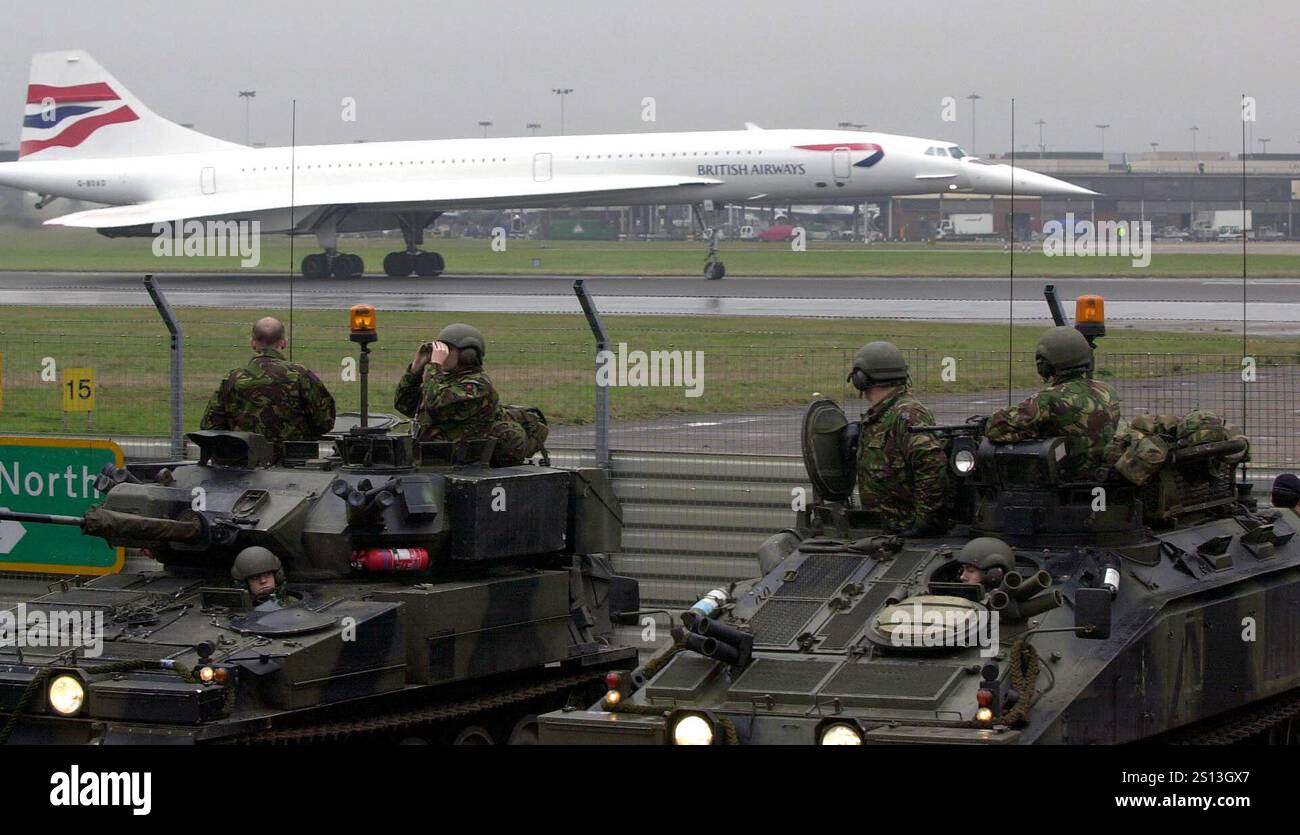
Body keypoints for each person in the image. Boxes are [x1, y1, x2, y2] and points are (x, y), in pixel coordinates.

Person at [986, 326, 1121, 481]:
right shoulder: (1108, 391)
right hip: (1102, 479)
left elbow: (996, 429)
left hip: (1064, 482)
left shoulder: (1049, 398)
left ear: (1045, 364)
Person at [848, 341, 948, 536]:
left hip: (903, 532)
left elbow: (931, 466)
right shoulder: (881, 416)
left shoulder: (907, 414)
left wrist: (923, 522)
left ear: (861, 379)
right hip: (883, 531)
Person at [393, 323, 527, 466]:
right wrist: (416, 369)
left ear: (467, 355)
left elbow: (436, 407)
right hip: (429, 457)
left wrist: (434, 367)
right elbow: (405, 405)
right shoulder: (441, 381)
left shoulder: (477, 385)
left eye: (447, 350)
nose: (440, 356)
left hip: (458, 462)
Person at [200, 317, 336, 446]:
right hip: (293, 461)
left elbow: (210, 425)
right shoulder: (300, 375)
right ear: (284, 342)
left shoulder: (233, 378)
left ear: (253, 343)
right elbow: (325, 421)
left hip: (245, 462)